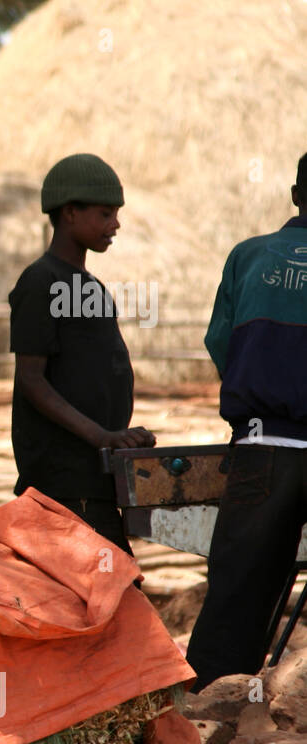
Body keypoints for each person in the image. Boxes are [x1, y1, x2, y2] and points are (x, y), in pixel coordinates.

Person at [185, 153, 307, 690]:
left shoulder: (248, 256)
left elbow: (220, 344)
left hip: (263, 450)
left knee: (236, 596)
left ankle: (207, 719)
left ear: (296, 194)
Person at [8, 153, 154, 553]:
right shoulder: (40, 282)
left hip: (96, 478)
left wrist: (121, 438)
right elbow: (31, 380)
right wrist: (101, 436)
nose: (116, 224)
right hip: (65, 487)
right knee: (109, 593)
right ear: (70, 213)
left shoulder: (90, 286)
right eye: (106, 213)